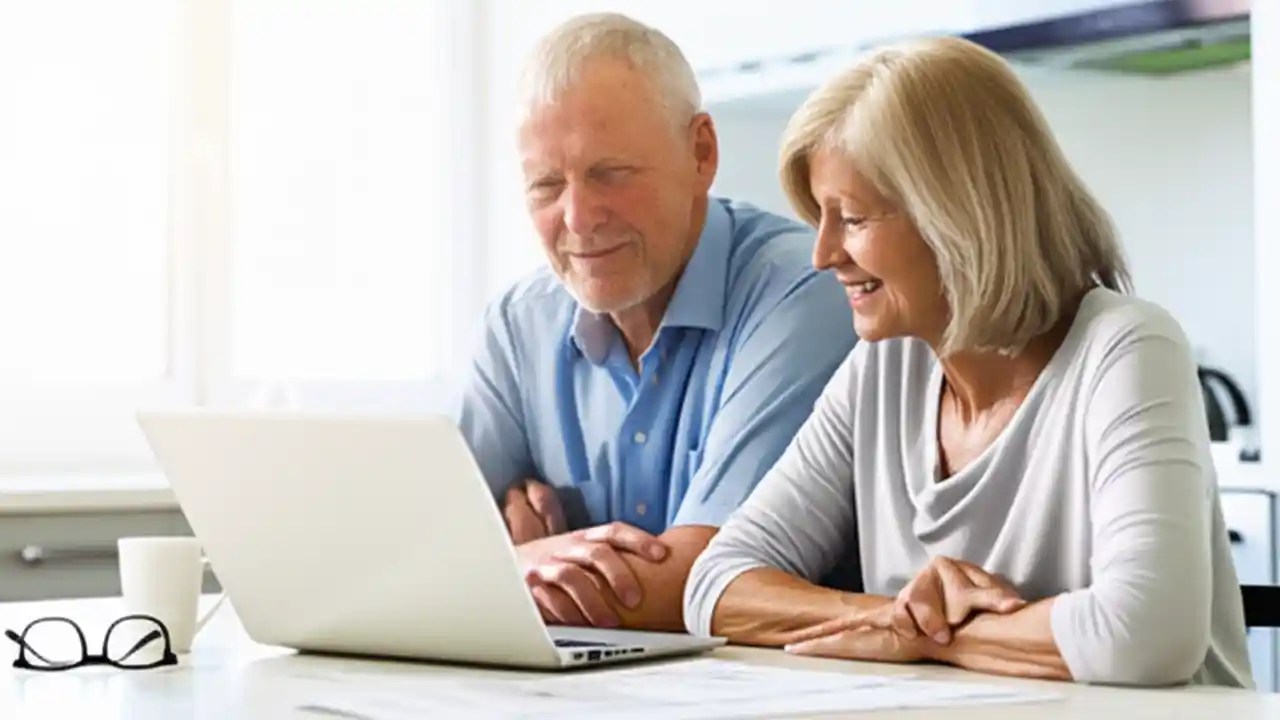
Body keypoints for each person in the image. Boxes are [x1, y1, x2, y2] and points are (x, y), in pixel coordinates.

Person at [682, 36, 1252, 687]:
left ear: (956, 214)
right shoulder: (881, 371)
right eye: (821, 218)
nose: (823, 254)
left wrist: (926, 639)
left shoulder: (1124, 348)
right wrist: (898, 618)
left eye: (854, 218)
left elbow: (1147, 637)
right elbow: (715, 586)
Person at [454, 13, 855, 633]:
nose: (579, 218)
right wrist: (515, 562)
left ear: (701, 153)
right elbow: (428, 558)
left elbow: (707, 580)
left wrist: (506, 565)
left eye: (610, 174)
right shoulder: (517, 325)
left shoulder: (803, 294)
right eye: (545, 185)